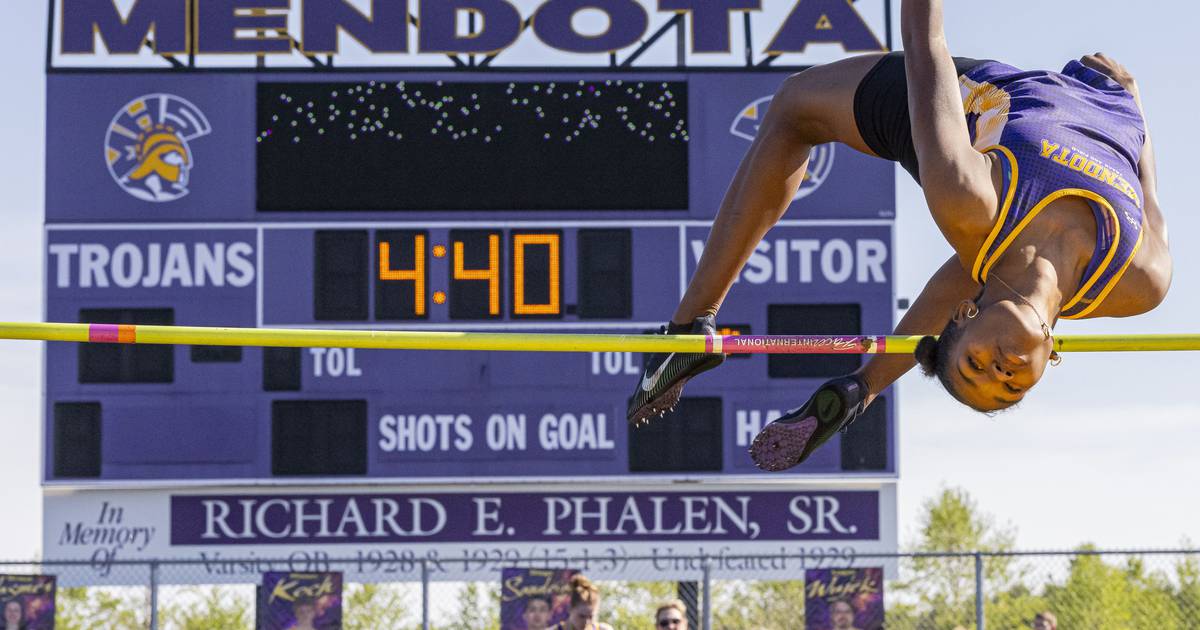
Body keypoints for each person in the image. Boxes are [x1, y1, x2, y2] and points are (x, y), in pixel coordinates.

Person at [628, 0, 1169, 471]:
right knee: (987, 264)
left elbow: (926, 44)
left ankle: (688, 328)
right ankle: (861, 388)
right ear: (1046, 361)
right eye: (1008, 386)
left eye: (975, 366)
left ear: (965, 316)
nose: (999, 370)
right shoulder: (1138, 284)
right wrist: (1129, 98)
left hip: (972, 114)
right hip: (1102, 100)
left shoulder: (968, 201)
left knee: (796, 105)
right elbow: (1150, 196)